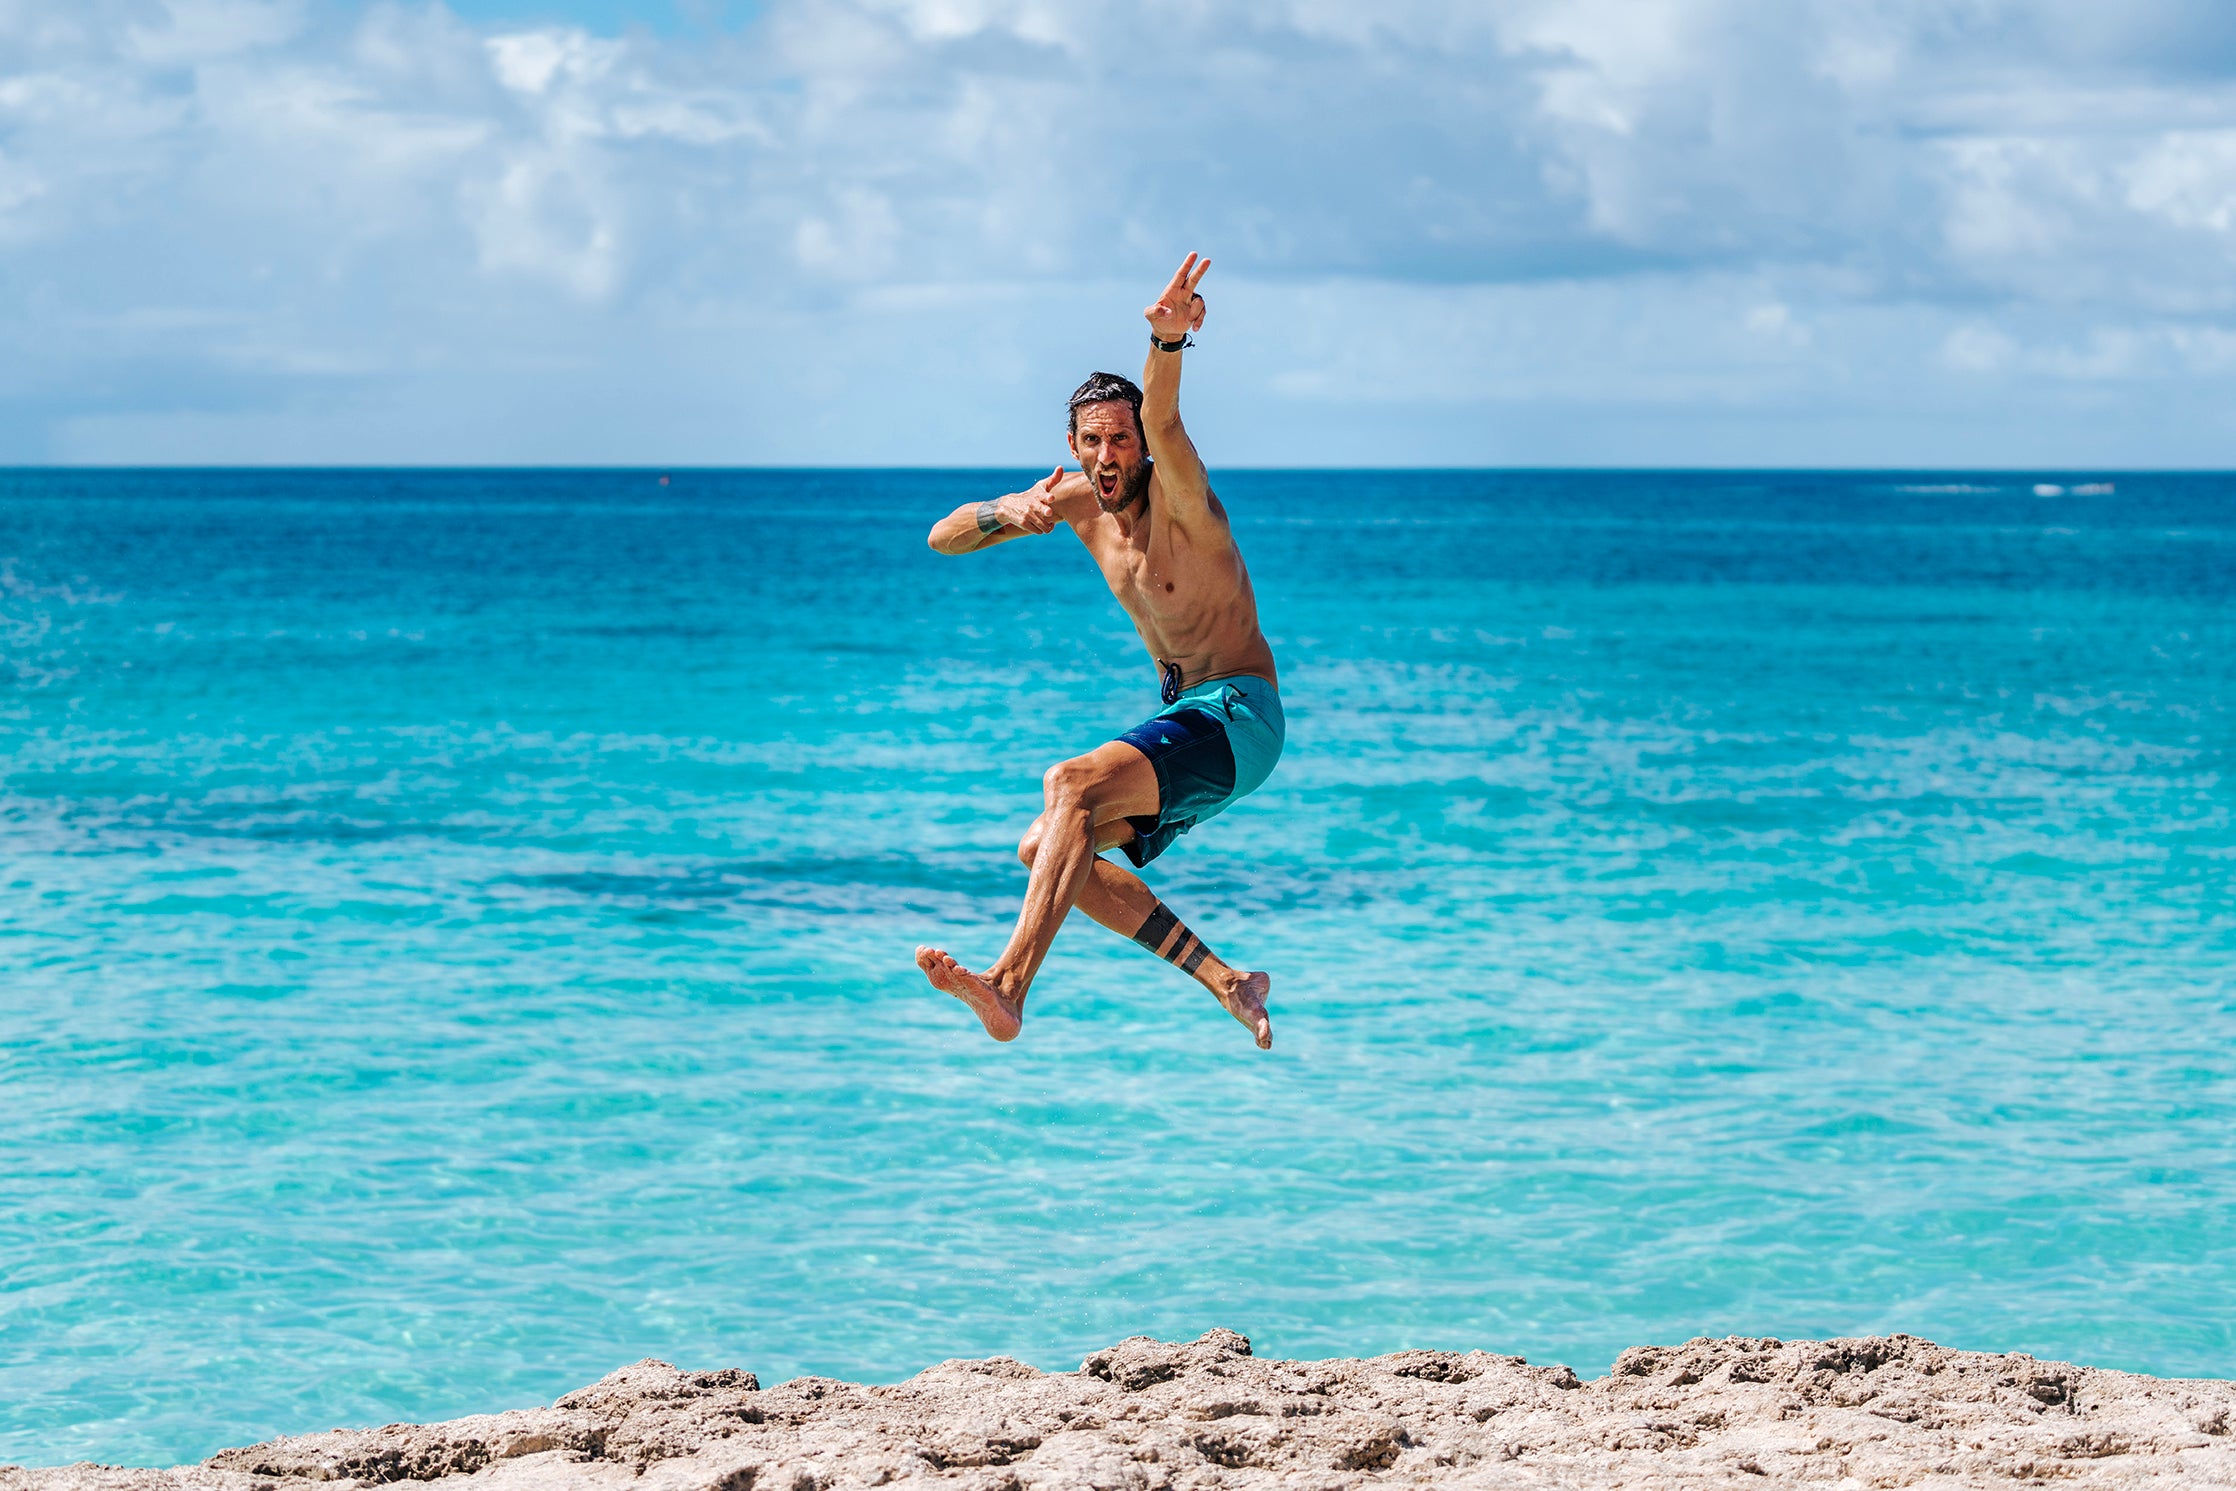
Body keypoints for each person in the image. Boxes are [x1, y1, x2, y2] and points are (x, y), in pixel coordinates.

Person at [916, 254, 1283, 1050]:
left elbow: (1170, 420)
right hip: (1190, 720)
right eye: (1094, 441)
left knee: (1069, 783)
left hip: (1238, 712)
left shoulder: (1181, 497)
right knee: (1046, 845)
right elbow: (942, 537)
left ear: (1141, 444)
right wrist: (1004, 509)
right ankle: (1228, 979)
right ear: (1074, 447)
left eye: (1122, 437)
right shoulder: (1076, 502)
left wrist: (1166, 342)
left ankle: (1008, 985)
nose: (1109, 453)